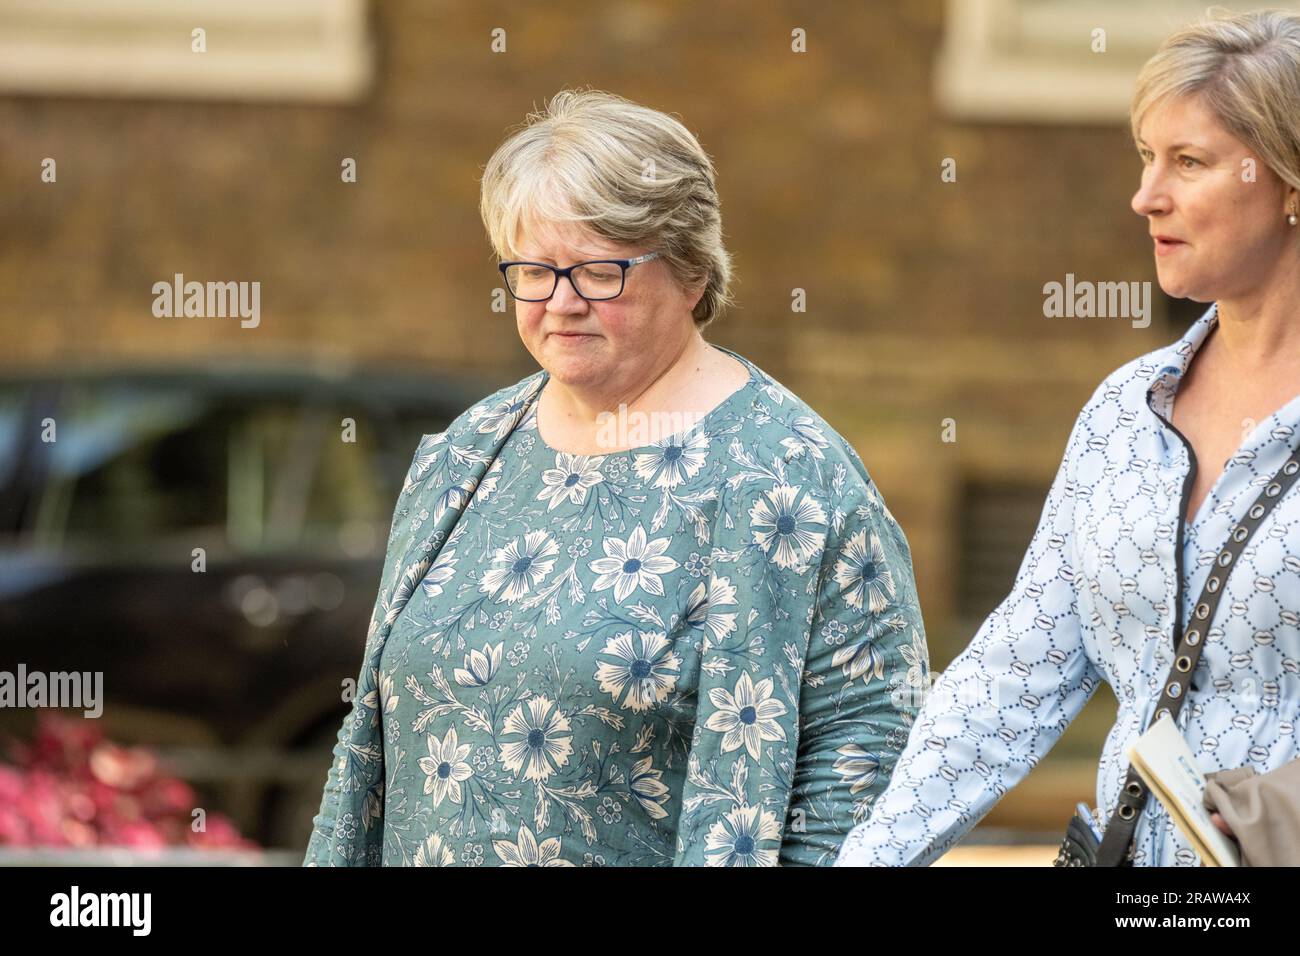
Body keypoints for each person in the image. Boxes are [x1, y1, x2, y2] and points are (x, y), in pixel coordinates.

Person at [305, 88, 928, 866]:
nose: (560, 303)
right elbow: (371, 742)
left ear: (692, 271)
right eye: (533, 271)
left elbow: (869, 761)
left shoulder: (790, 474)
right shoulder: (467, 453)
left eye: (597, 270)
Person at [837, 9, 1300, 867]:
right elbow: (1010, 679)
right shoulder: (1124, 413)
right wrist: (869, 861)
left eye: (1188, 163)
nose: (1145, 195)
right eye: (1144, 157)